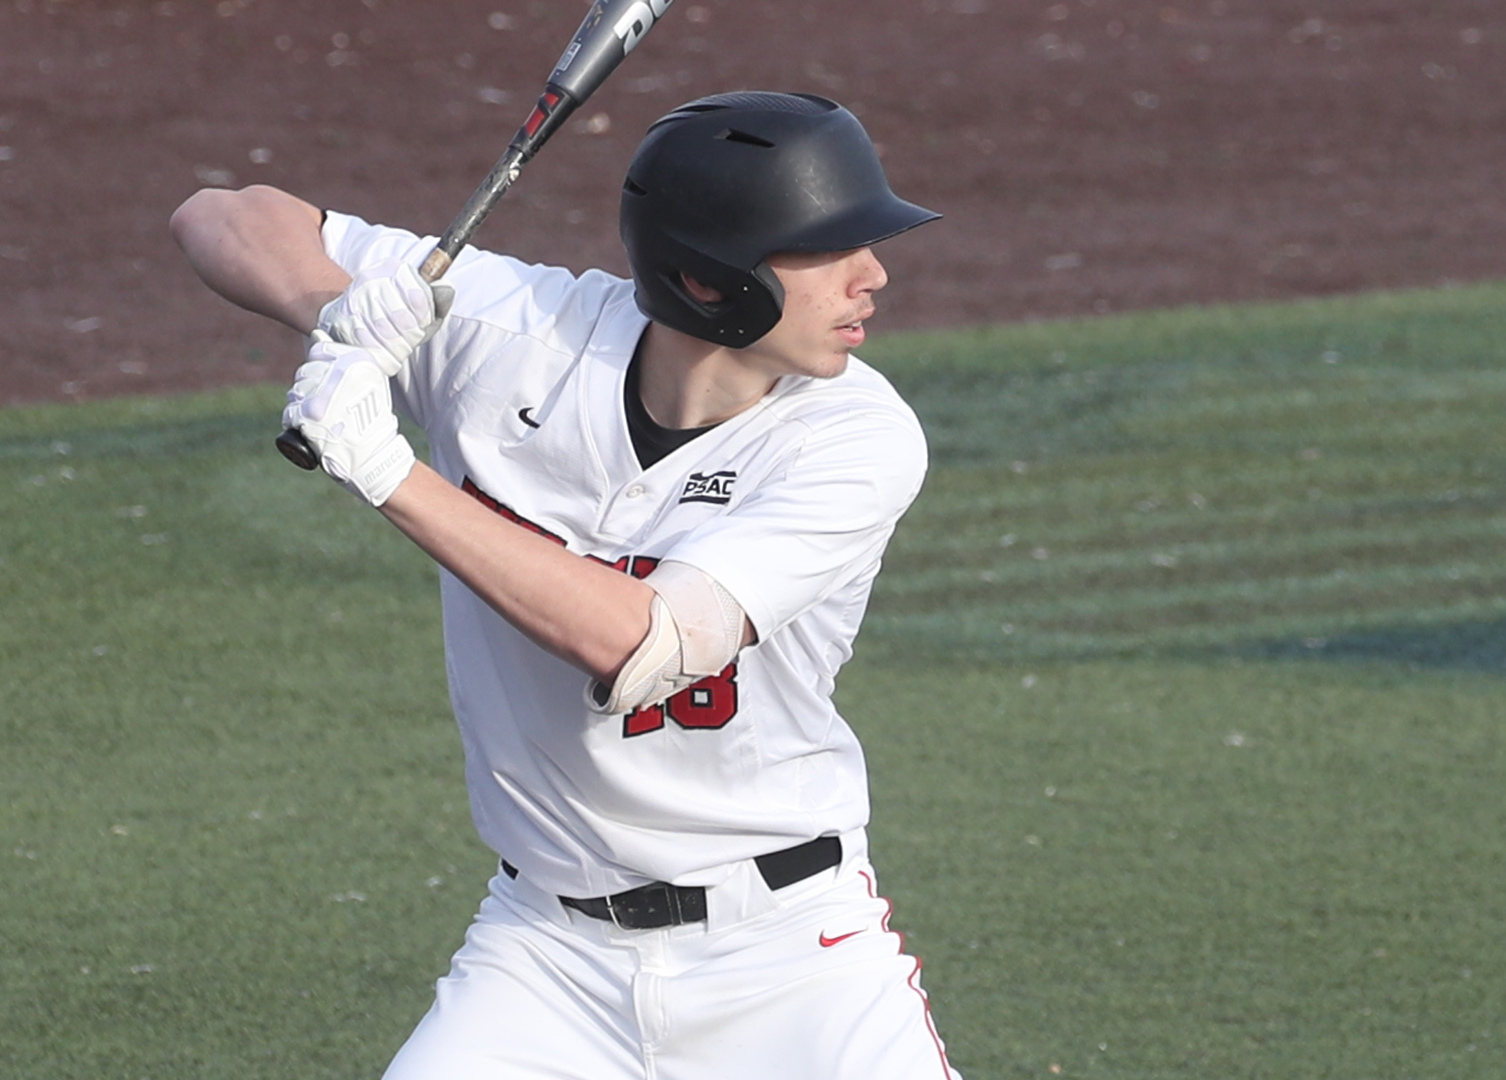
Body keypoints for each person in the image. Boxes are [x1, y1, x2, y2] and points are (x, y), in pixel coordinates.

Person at [172, 90, 958, 1080]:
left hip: (792, 962)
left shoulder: (853, 437)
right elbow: (220, 214)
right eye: (827, 249)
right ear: (712, 281)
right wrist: (334, 308)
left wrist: (387, 471)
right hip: (544, 955)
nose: (873, 275)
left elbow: (642, 647)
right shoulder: (519, 336)